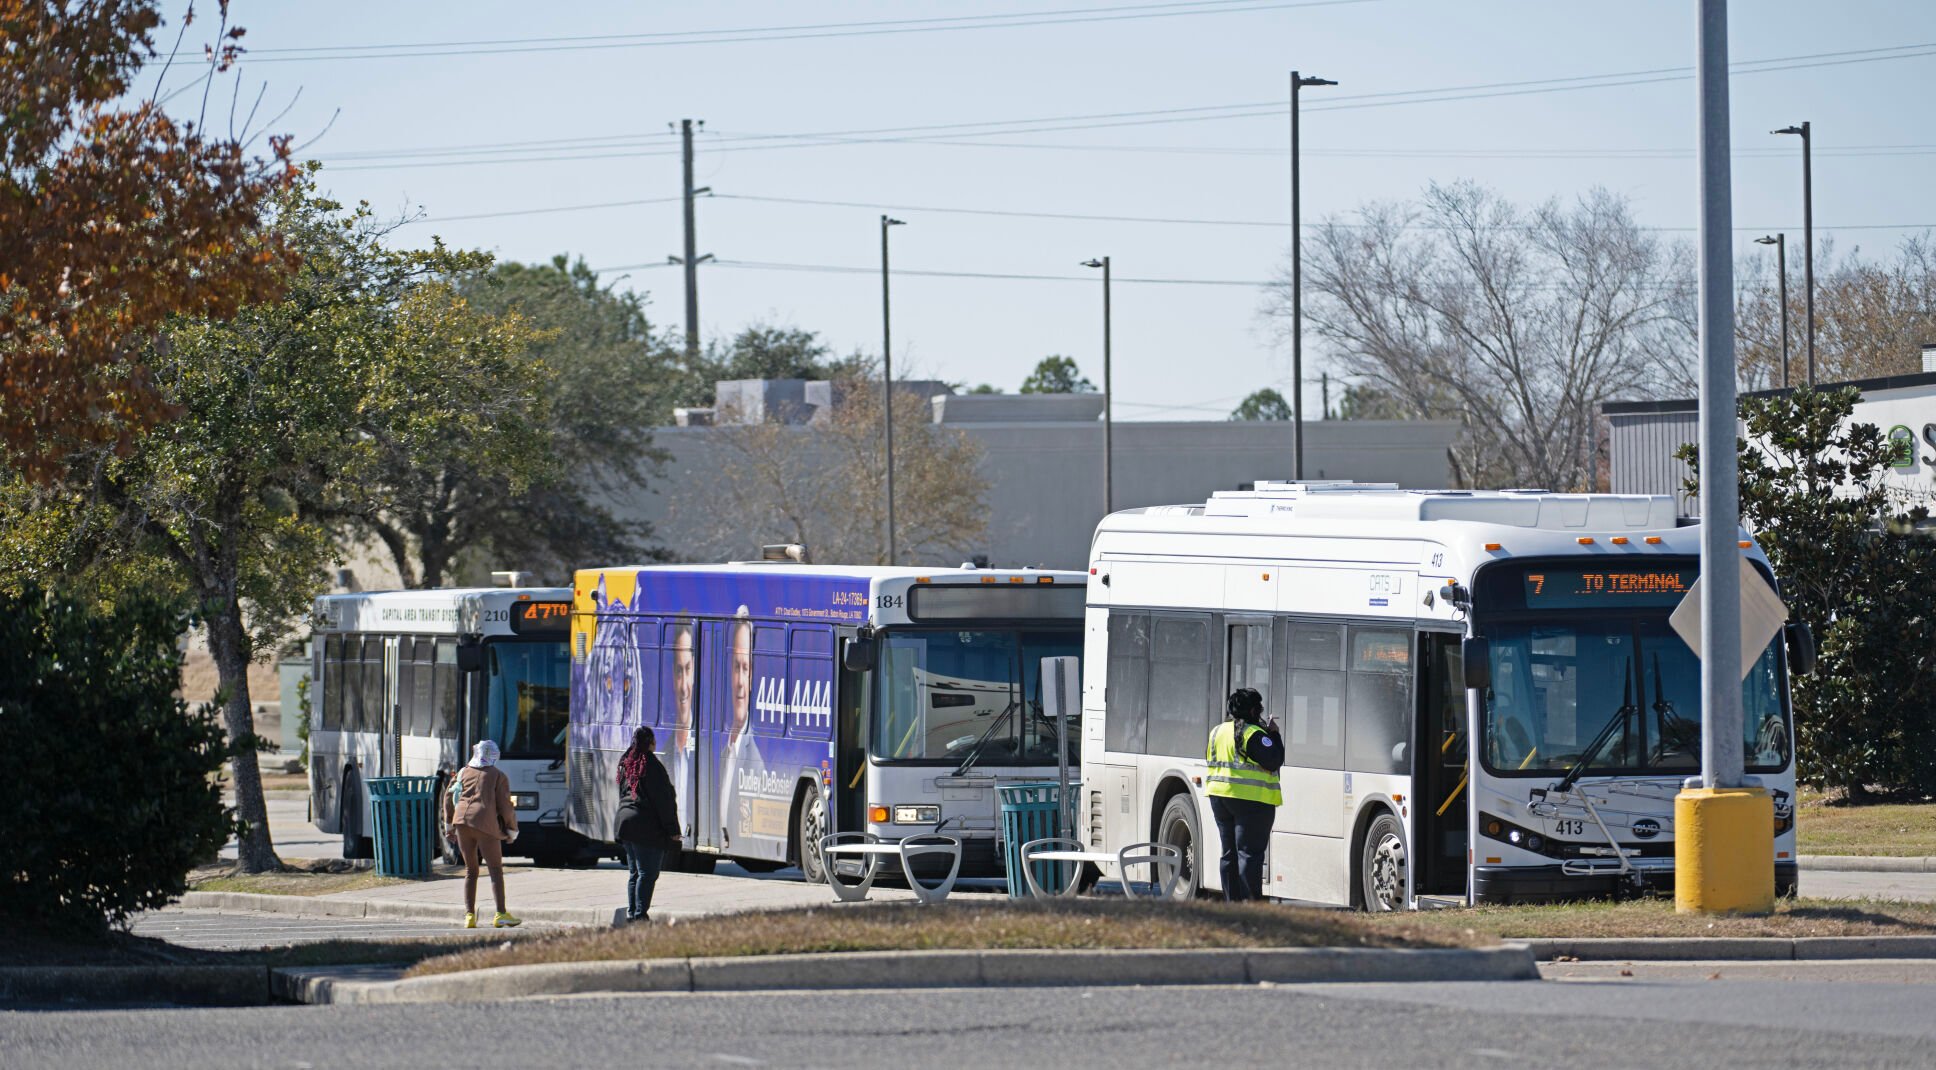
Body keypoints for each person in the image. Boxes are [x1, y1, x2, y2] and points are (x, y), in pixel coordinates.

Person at [1204, 687, 1284, 902]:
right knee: (1249, 854)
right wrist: (1273, 733)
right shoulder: (1253, 734)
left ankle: (1233, 904)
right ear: (1253, 710)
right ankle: (1251, 906)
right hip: (1251, 801)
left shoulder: (1217, 731)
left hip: (1219, 798)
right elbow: (1274, 759)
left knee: (1229, 853)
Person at [448, 739, 521, 928]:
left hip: (461, 822)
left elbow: (449, 797)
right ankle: (501, 914)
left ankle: (469, 916)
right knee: (495, 870)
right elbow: (506, 807)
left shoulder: (463, 772)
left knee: (471, 870)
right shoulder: (498, 776)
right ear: (494, 756)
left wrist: (449, 826)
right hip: (485, 823)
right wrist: (512, 830)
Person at [615, 725, 682, 921]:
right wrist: (673, 830)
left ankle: (632, 913)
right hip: (645, 827)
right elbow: (664, 802)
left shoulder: (627, 763)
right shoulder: (652, 766)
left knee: (635, 873)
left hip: (624, 824)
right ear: (651, 743)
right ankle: (640, 915)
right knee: (647, 873)